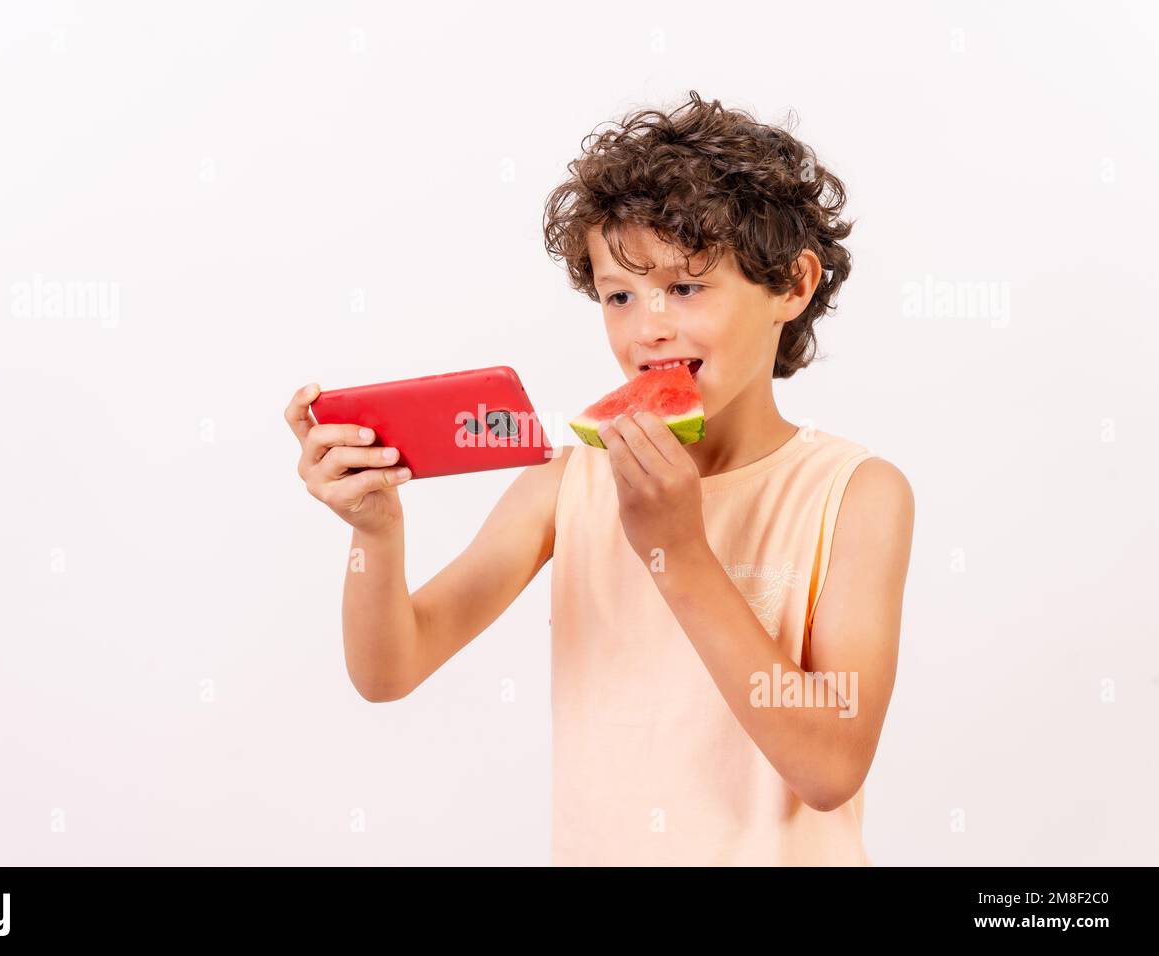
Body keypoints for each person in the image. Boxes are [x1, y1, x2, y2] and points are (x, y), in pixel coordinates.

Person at [286, 91, 914, 865]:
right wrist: (375, 533)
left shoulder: (855, 493)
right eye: (620, 295)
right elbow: (391, 669)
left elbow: (831, 767)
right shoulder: (571, 483)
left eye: (685, 288)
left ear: (791, 284)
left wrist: (678, 554)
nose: (647, 326)